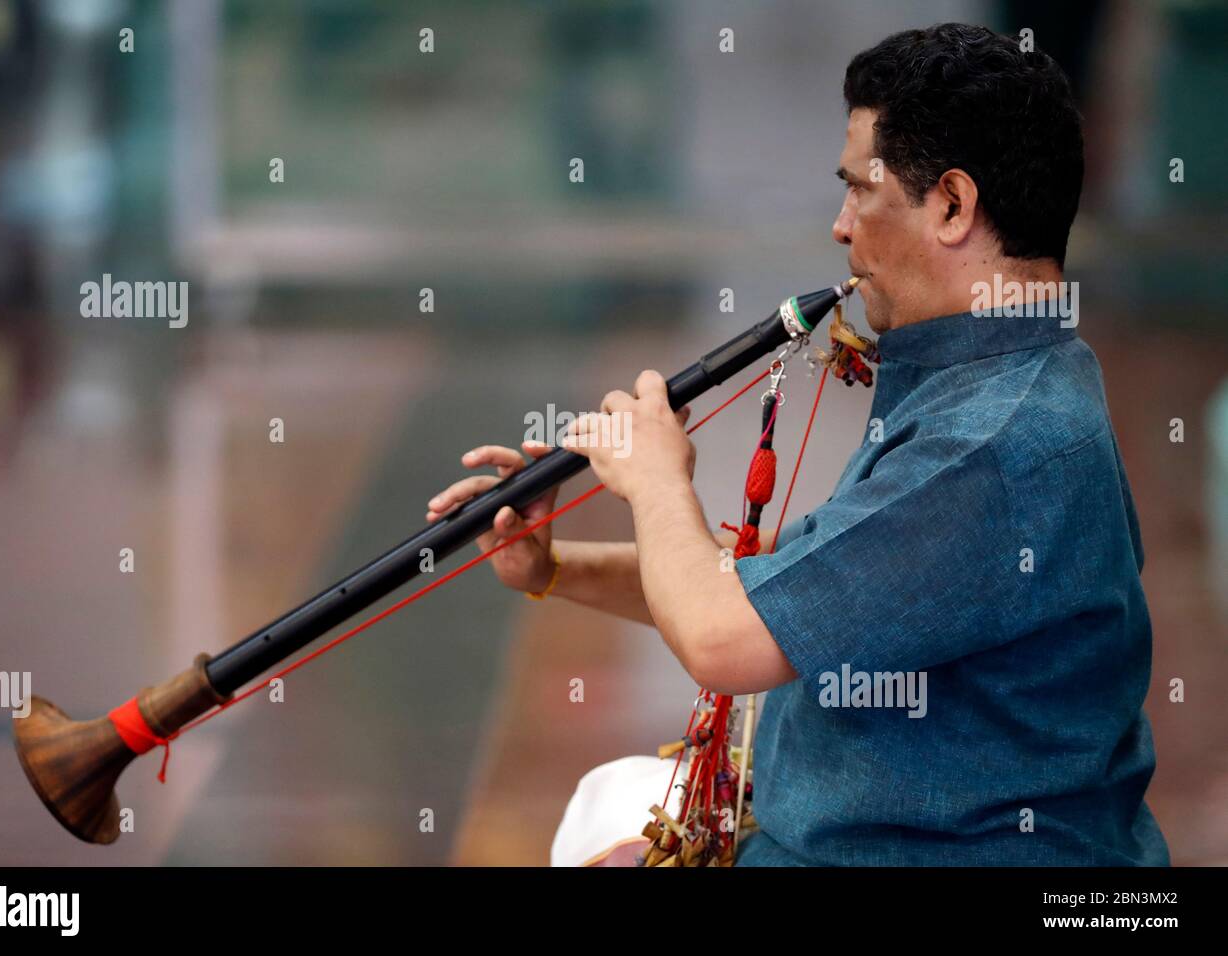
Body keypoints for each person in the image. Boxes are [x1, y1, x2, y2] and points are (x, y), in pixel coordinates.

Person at [426, 23, 1169, 866]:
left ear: (953, 206)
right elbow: (785, 587)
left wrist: (659, 482)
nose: (840, 226)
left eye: (861, 191)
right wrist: (551, 567)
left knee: (604, 826)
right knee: (610, 800)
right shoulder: (1006, 377)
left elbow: (723, 638)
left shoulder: (992, 442)